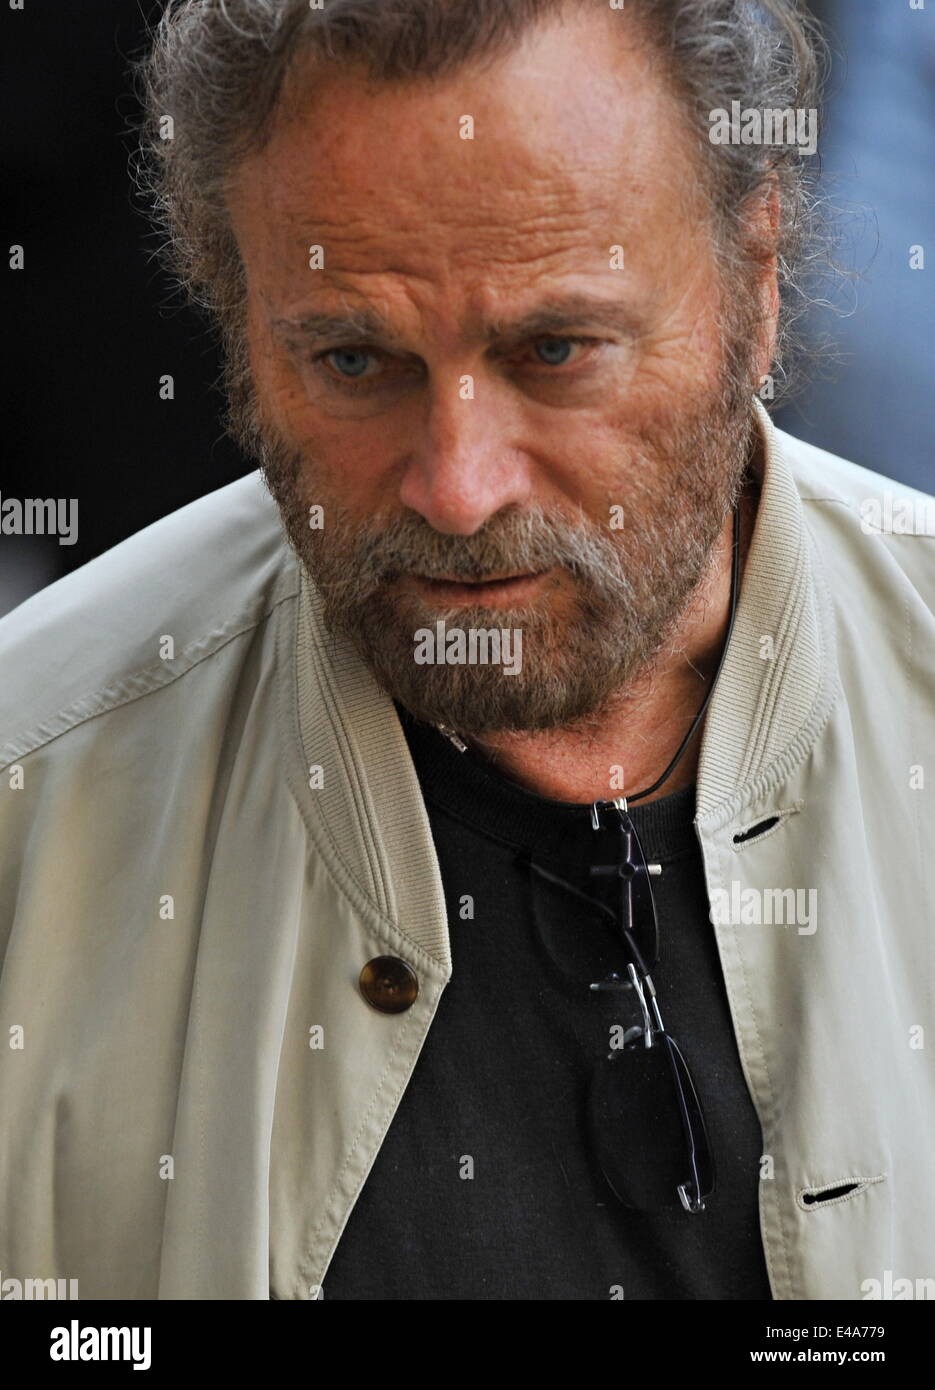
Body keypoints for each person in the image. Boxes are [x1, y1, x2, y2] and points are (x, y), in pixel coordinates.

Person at [1, 0, 933, 1302]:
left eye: (557, 349)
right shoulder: (34, 798)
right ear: (229, 312)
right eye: (353, 358)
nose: (457, 485)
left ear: (758, 279)